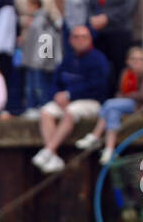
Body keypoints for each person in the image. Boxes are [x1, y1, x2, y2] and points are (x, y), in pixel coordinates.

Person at [33, 25, 110, 174]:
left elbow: (97, 86)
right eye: (76, 37)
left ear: (90, 39)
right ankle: (53, 156)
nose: (80, 40)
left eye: (84, 37)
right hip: (65, 100)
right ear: (70, 40)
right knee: (45, 112)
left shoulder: (98, 59)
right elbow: (55, 82)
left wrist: (69, 95)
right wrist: (56, 95)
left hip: (90, 102)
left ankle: (48, 150)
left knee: (70, 111)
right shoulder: (68, 59)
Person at [75, 45, 143, 165]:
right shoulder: (126, 73)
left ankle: (95, 136)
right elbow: (121, 91)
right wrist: (124, 96)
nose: (137, 62)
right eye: (134, 59)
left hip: (141, 106)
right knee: (112, 112)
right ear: (128, 61)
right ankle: (110, 150)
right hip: (127, 103)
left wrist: (126, 96)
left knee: (109, 104)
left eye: (140, 59)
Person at [15, 0, 62, 112]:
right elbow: (20, 16)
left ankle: (44, 104)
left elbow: (52, 12)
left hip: (46, 38)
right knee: (31, 72)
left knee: (44, 69)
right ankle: (31, 105)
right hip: (29, 39)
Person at [89, 0, 138, 91]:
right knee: (102, 65)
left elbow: (128, 7)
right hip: (100, 32)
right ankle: (103, 93)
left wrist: (107, 18)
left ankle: (119, 92)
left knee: (118, 64)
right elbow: (92, 4)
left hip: (119, 32)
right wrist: (93, 18)